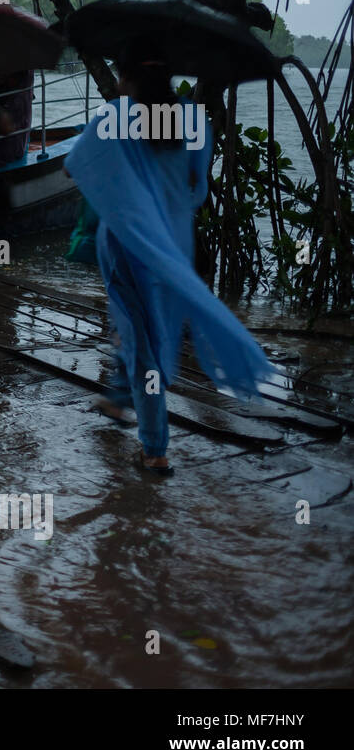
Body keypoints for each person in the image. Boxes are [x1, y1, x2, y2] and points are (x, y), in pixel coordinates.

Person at [64, 37, 272, 475]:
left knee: (141, 342)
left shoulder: (114, 116)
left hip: (125, 244)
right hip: (173, 245)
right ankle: (120, 400)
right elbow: (197, 189)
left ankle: (155, 448)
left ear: (125, 76)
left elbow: (75, 165)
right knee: (148, 329)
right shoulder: (193, 118)